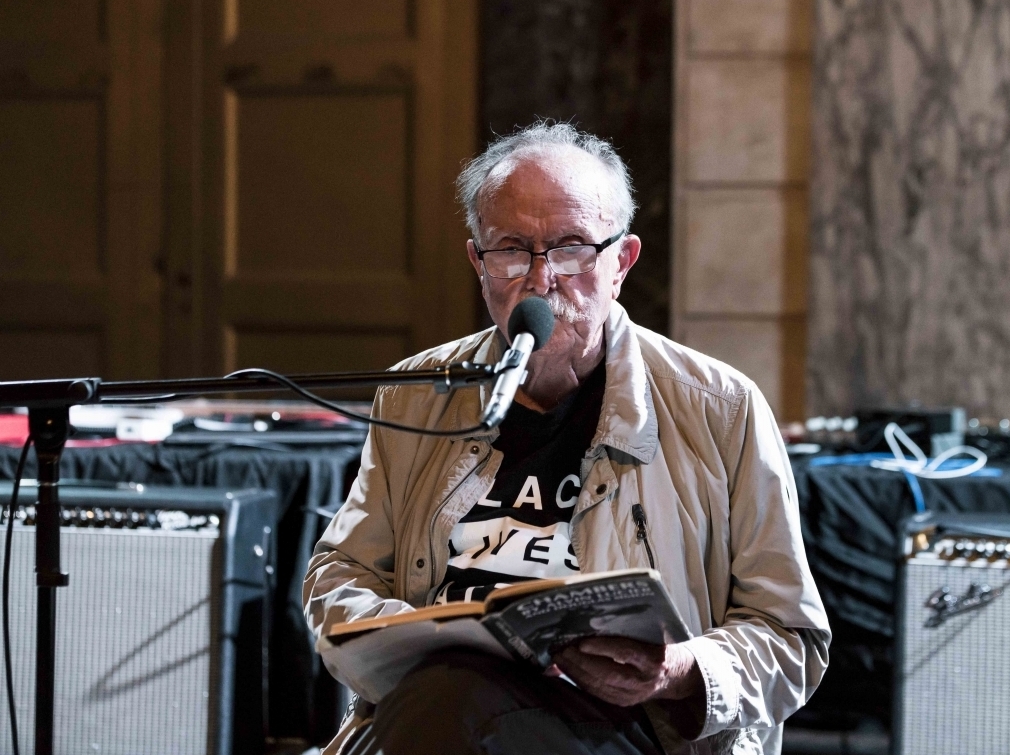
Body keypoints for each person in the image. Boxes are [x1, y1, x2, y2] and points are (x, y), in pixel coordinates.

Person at [304, 122, 830, 755]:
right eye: (511, 249)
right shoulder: (419, 392)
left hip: (626, 731)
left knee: (455, 702)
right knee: (454, 691)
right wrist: (406, 635)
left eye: (571, 247)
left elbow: (791, 638)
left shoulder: (722, 409)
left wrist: (679, 669)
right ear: (478, 261)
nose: (541, 278)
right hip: (433, 714)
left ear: (622, 263)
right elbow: (342, 572)